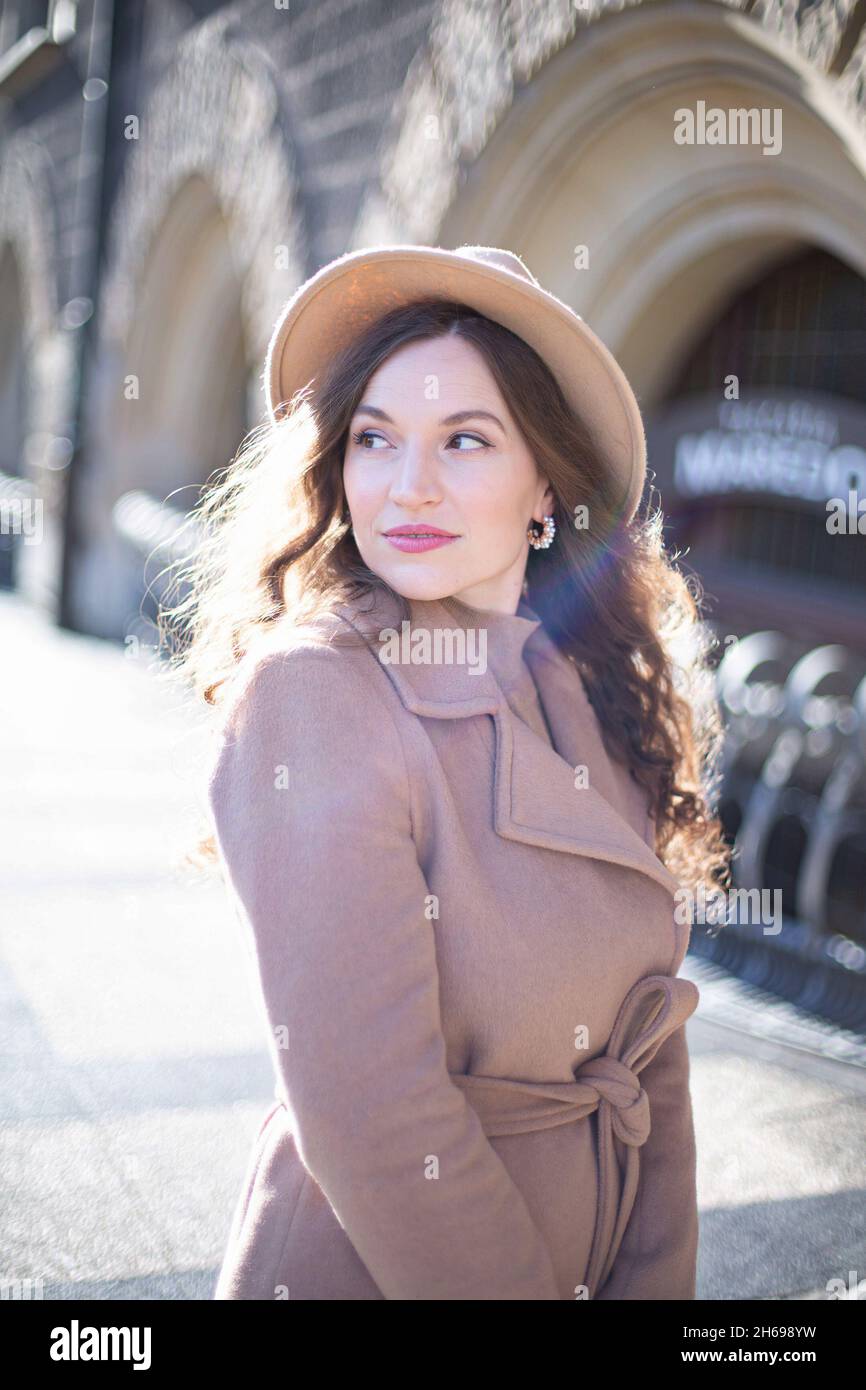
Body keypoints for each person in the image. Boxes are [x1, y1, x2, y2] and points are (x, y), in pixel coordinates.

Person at [162, 244, 730, 1300]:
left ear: (544, 483)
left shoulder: (587, 691)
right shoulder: (317, 695)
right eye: (374, 438)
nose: (407, 486)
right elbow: (373, 1112)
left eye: (464, 439)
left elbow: (648, 1046)